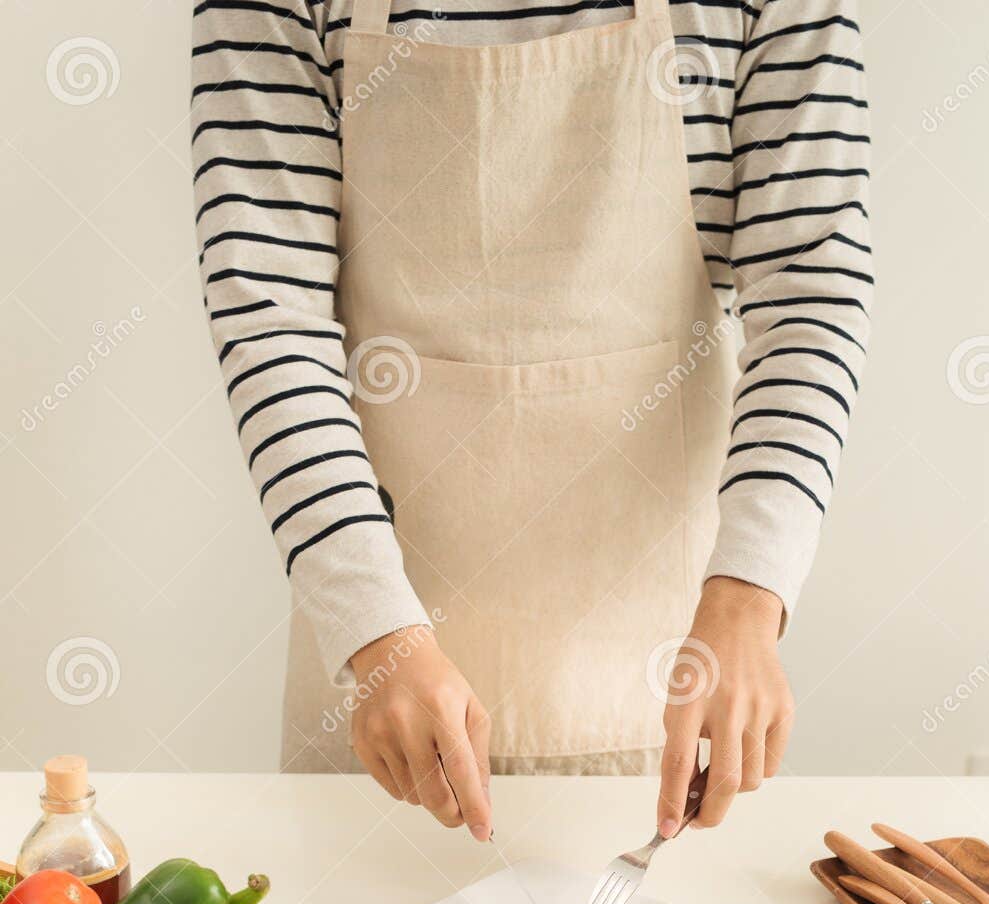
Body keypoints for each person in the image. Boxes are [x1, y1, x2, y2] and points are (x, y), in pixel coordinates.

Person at [192, 1, 870, 840]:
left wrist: (749, 598)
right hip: (382, 699)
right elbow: (269, 314)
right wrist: (377, 634)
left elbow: (811, 289)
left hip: (672, 689)